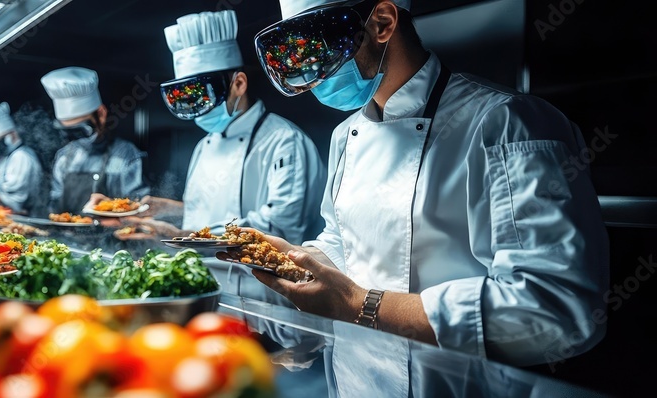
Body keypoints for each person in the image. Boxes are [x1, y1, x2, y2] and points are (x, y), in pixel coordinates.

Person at [248, 0, 609, 366]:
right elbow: (344, 243)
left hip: (455, 381)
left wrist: (358, 305)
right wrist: (293, 260)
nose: (314, 73)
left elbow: (555, 310)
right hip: (356, 374)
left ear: (382, 23)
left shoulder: (506, 123)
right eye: (300, 58)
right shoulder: (345, 136)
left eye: (322, 50)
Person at [105, 10, 327, 244]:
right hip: (200, 265)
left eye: (203, 95)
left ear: (238, 84)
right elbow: (207, 212)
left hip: (252, 270)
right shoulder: (205, 144)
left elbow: (279, 227)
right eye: (187, 98)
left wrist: (183, 236)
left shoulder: (284, 141)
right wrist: (171, 208)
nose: (197, 108)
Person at [40, 67, 150, 213]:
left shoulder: (127, 155)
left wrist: (110, 206)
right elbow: (55, 201)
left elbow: (140, 207)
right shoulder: (63, 157)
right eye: (69, 133)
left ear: (101, 114)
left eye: (81, 130)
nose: (77, 140)